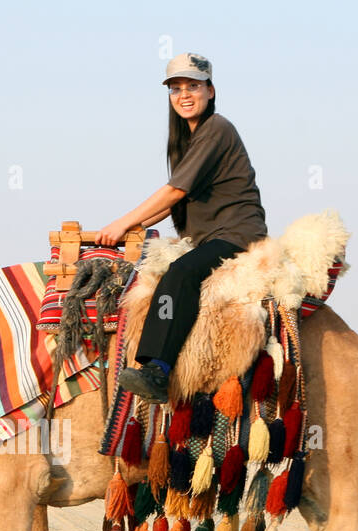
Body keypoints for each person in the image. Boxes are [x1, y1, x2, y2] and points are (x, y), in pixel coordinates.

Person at [98, 52, 268, 403]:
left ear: (211, 90)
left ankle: (158, 369)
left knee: (181, 273)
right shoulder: (186, 141)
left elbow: (174, 191)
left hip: (235, 233)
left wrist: (122, 222)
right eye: (176, 88)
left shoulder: (217, 129)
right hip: (206, 237)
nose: (184, 95)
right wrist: (129, 230)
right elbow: (174, 202)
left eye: (193, 86)